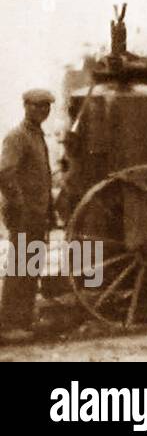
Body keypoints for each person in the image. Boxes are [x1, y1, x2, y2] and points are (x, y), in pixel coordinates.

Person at [0, 89, 55, 341]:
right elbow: (4, 172)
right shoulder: (18, 136)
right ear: (25, 106)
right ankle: (11, 326)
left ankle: (22, 321)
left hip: (36, 214)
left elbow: (42, 177)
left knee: (30, 268)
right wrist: (19, 204)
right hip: (24, 214)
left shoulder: (36, 136)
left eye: (46, 106)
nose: (42, 110)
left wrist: (47, 210)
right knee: (21, 268)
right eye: (37, 106)